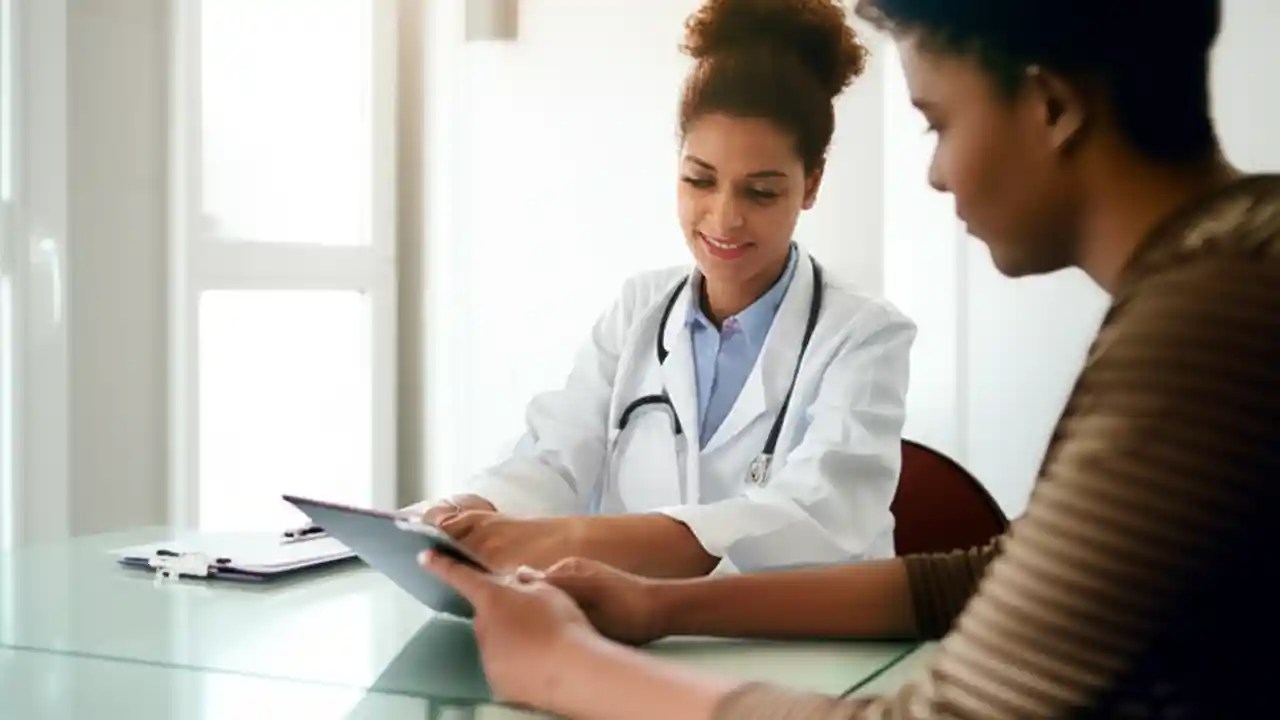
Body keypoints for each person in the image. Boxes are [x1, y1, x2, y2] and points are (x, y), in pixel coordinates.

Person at [421, 0, 1280, 717]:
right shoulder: (1221, 271)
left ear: (1051, 106)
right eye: (699, 178)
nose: (938, 175)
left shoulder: (1219, 316)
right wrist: (659, 602)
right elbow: (982, 579)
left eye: (938, 122)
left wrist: (566, 670)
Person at [414, 0, 915, 577]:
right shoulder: (638, 310)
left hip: (803, 650)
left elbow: (813, 519)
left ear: (811, 184)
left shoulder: (864, 335)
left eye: (761, 192)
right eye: (699, 180)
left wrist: (574, 536)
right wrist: (466, 512)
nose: (723, 219)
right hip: (633, 638)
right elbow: (555, 458)